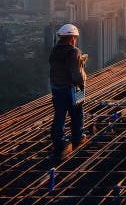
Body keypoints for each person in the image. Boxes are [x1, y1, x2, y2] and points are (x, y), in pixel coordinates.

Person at [49, 23, 87, 162]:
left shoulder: (54, 51)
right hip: (72, 89)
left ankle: (58, 143)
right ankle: (77, 138)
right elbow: (76, 76)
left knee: (59, 116)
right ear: (72, 38)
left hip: (56, 89)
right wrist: (82, 68)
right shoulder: (74, 52)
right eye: (75, 38)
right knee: (77, 114)